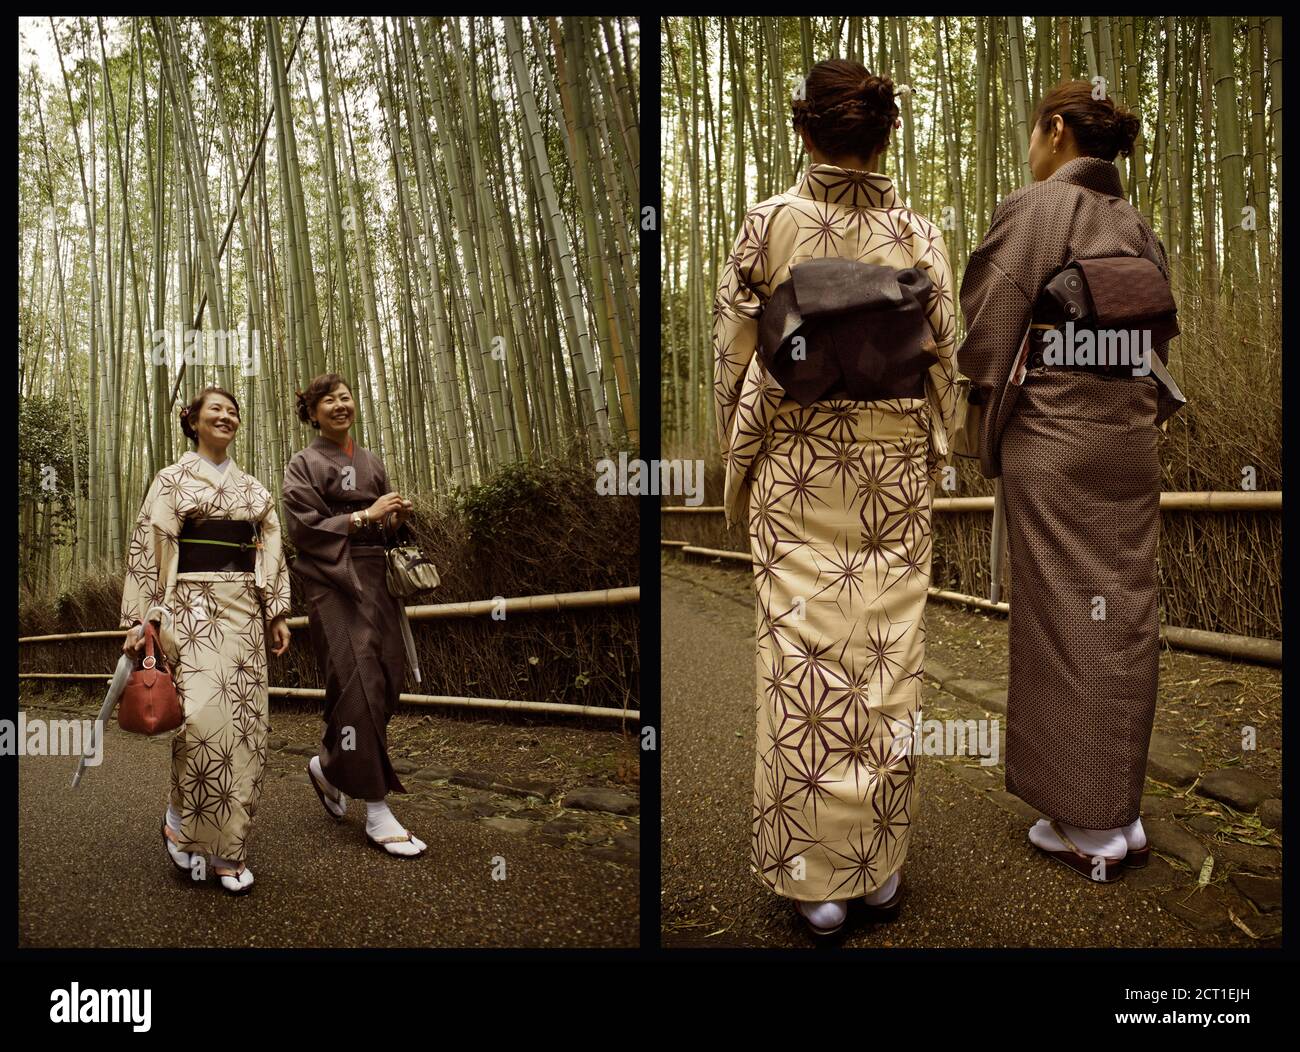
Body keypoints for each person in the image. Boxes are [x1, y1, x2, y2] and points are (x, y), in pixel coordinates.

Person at [714, 59, 958, 936]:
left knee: (803, 662)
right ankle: (876, 867)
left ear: (803, 128)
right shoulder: (918, 233)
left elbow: (735, 353)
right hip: (891, 467)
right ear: (885, 136)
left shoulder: (769, 224)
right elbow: (945, 356)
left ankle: (815, 877)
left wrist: (739, 456)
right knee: (888, 660)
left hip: (797, 459)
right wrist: (935, 449)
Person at [957, 81, 1179, 881]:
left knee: (1063, 613)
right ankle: (1119, 809)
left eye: (1032, 131)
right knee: (1122, 608)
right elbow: (1157, 336)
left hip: (1054, 434)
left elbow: (991, 320)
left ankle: (1090, 822)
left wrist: (979, 406)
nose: (1030, 147)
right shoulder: (1134, 223)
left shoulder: (1039, 208)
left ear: (1055, 130)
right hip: (1126, 432)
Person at [121, 385, 292, 895]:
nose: (226, 416)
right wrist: (142, 617)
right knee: (200, 722)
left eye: (233, 411)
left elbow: (271, 547)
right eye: (214, 409)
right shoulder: (171, 480)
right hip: (191, 608)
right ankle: (181, 822)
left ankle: (228, 850)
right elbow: (149, 547)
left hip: (244, 610)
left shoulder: (253, 488)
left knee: (246, 728)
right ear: (192, 421)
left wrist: (277, 610)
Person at [281, 373, 425, 857]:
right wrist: (363, 516)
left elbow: (386, 530)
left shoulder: (371, 461)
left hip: (376, 578)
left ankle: (329, 765)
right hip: (332, 582)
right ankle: (377, 810)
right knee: (358, 677)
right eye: (329, 400)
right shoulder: (303, 464)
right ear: (312, 413)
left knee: (385, 677)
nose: (340, 405)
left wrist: (394, 520)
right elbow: (303, 529)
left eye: (345, 397)